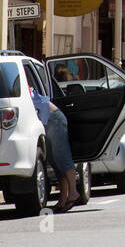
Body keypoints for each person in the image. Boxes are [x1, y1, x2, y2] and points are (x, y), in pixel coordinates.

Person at [30, 83, 78, 213]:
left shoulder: (22, 87)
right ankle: (63, 199)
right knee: (55, 161)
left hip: (53, 119)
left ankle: (73, 192)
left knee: (62, 156)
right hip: (46, 121)